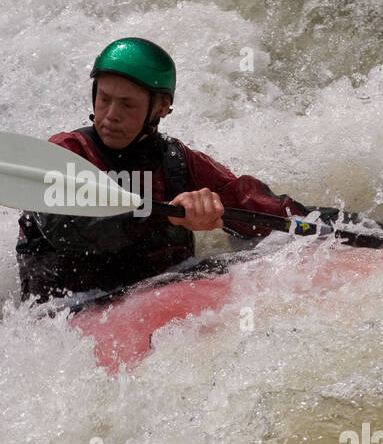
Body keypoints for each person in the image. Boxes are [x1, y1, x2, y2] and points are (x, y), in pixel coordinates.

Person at [16, 37, 319, 302]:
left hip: (159, 300)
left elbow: (261, 211)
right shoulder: (68, 152)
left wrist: (324, 222)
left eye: (127, 105)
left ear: (161, 108)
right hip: (71, 309)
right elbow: (66, 228)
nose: (110, 116)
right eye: (104, 99)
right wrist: (164, 215)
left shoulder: (179, 163)